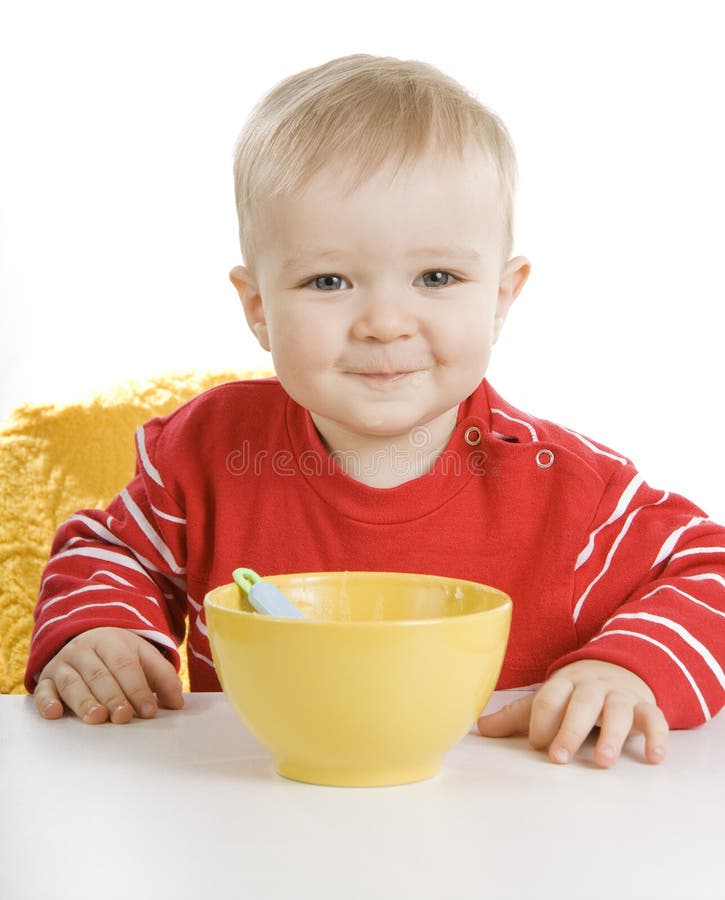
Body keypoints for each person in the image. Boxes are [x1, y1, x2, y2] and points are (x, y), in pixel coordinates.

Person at [26, 54, 725, 768]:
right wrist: (102, 631)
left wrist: (630, 668)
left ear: (500, 298)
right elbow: (109, 551)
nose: (385, 323)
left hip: (503, 835)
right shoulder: (206, 454)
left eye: (436, 277)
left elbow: (710, 568)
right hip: (254, 826)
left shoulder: (571, 490)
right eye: (328, 280)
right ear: (259, 308)